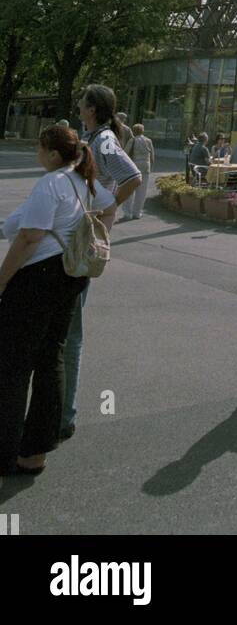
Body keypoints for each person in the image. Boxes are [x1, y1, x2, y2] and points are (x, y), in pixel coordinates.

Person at [0, 126, 116, 475]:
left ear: (52, 153)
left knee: (12, 366)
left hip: (37, 278)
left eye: (39, 146)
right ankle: (35, 451)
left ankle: (4, 449)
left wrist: (2, 281)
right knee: (51, 360)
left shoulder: (51, 183)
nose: (36, 151)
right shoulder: (83, 180)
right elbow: (110, 208)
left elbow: (28, 238)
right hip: (69, 276)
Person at [59, 84, 140, 441]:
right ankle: (62, 411)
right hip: (76, 235)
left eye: (82, 100)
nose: (77, 103)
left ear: (92, 108)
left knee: (70, 331)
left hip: (80, 238)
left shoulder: (103, 139)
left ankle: (64, 413)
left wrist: (107, 209)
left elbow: (132, 176)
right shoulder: (96, 135)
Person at [121, 124, 155, 220]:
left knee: (130, 190)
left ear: (134, 131)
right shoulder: (149, 141)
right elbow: (152, 156)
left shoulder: (132, 140)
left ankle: (128, 213)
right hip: (145, 167)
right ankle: (137, 212)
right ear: (143, 131)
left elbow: (125, 154)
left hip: (134, 167)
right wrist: (150, 165)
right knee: (142, 191)